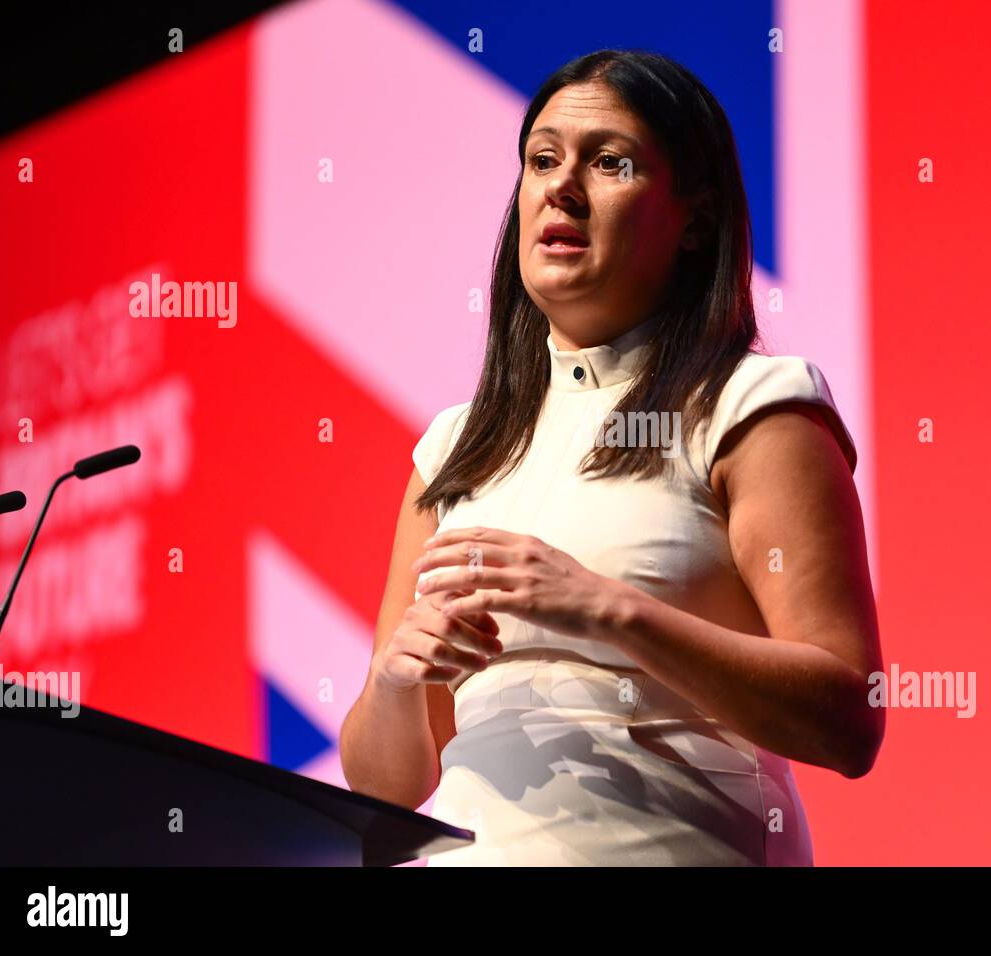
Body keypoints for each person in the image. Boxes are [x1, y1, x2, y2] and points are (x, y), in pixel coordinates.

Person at [340, 48, 883, 866]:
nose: (561, 187)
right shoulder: (454, 448)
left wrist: (602, 606)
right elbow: (384, 789)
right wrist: (395, 680)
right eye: (542, 160)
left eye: (610, 162)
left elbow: (850, 717)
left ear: (695, 219)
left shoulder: (752, 406)